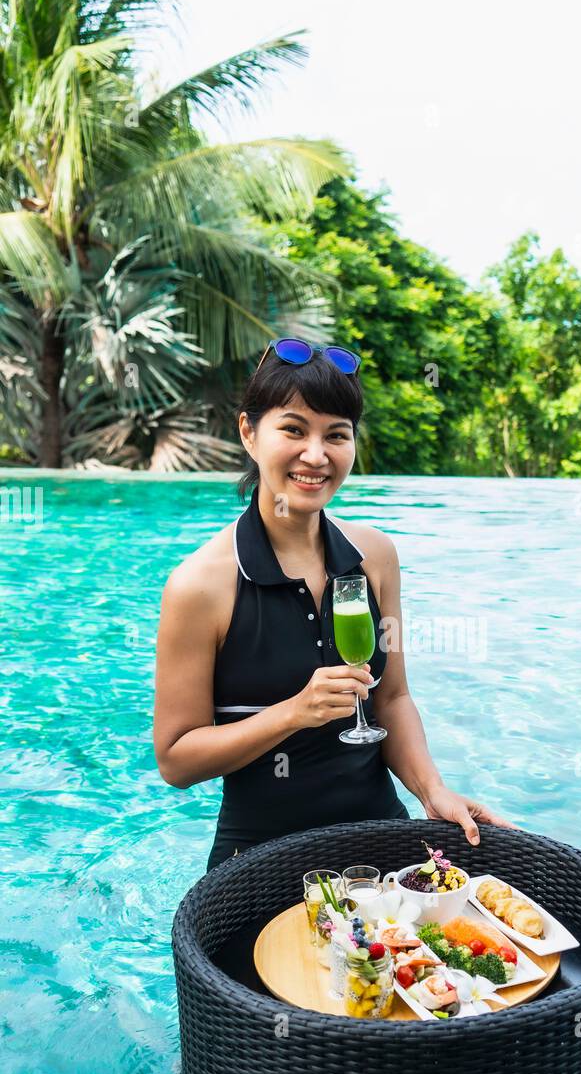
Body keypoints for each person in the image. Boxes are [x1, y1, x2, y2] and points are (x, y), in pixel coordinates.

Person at [152, 337, 516, 871]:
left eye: (336, 435)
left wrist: (430, 790)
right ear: (249, 433)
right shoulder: (201, 585)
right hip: (258, 858)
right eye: (294, 429)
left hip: (381, 837)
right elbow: (176, 760)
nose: (316, 456)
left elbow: (390, 699)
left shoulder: (374, 555)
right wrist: (293, 715)